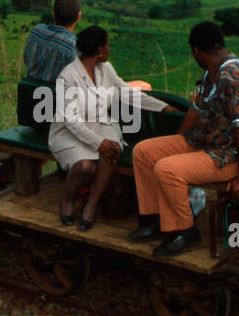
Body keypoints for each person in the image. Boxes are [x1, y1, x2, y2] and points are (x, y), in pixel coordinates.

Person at [127, 22, 239, 257]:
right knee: (144, 152)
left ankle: (185, 230)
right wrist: (177, 140)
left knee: (167, 169)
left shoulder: (233, 76)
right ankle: (154, 218)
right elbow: (196, 110)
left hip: (229, 155)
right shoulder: (212, 71)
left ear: (196, 51)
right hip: (206, 141)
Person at [48, 26, 171, 230]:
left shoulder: (106, 69)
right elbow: (70, 120)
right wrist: (99, 143)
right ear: (99, 50)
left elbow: (127, 93)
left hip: (100, 125)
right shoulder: (67, 76)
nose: (109, 49)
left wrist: (162, 107)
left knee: (111, 151)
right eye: (107, 46)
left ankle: (92, 204)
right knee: (85, 166)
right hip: (70, 131)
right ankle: (68, 200)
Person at [22, 0, 81, 82]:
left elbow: (26, 60)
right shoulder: (74, 48)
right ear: (78, 16)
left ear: (53, 14)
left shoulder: (36, 33)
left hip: (28, 95)